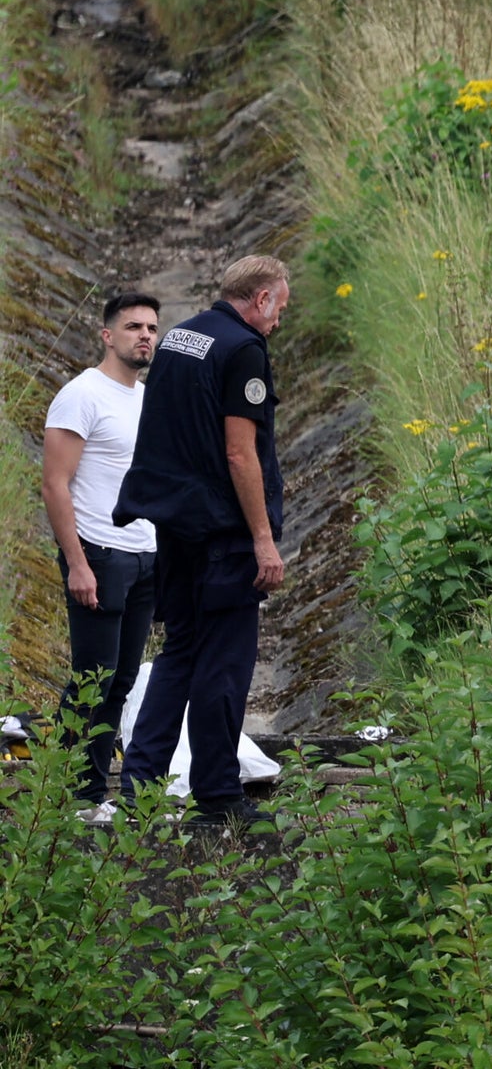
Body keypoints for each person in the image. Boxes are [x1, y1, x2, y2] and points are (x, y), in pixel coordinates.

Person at [113, 257, 292, 824]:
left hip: (176, 526)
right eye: (279, 309)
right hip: (223, 534)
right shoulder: (244, 351)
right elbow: (240, 452)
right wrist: (262, 538)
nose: (278, 322)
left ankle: (139, 787)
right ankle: (217, 794)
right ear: (260, 299)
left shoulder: (180, 337)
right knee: (225, 663)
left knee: (180, 653)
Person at [42, 292, 160, 811]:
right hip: (100, 554)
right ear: (108, 336)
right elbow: (55, 484)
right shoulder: (81, 395)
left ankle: (92, 791)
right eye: (134, 327)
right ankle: (63, 794)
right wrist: (78, 563)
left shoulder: (147, 398)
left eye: (152, 328)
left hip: (144, 555)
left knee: (123, 681)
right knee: (93, 679)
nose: (145, 336)